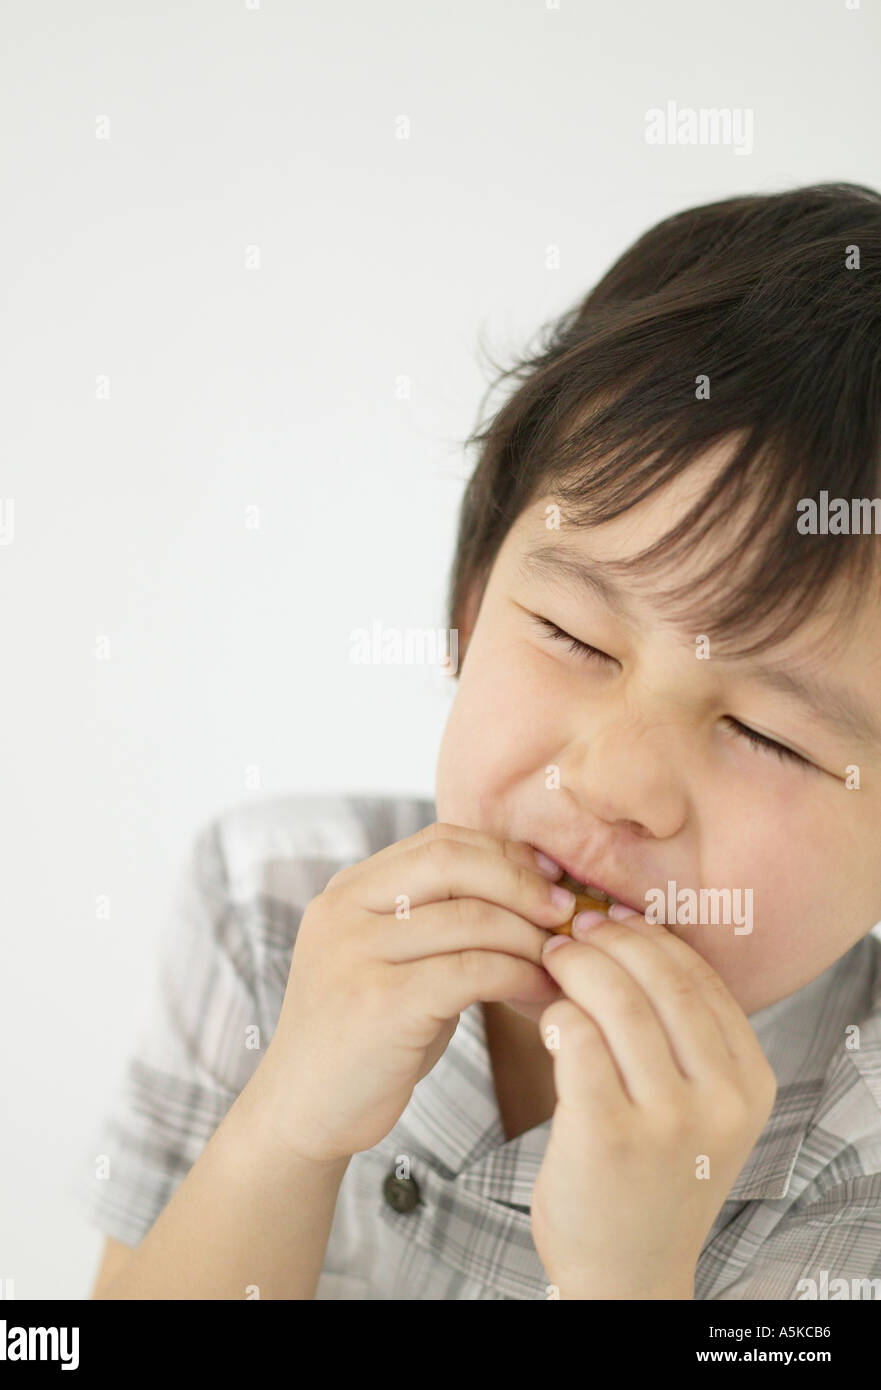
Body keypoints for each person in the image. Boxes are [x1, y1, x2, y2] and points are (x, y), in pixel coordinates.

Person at [73, 183, 881, 1299]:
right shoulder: (266, 906)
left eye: (766, 733)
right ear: (466, 608)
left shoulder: (859, 1131)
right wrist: (285, 1133)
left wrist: (627, 1275)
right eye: (570, 635)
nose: (614, 781)